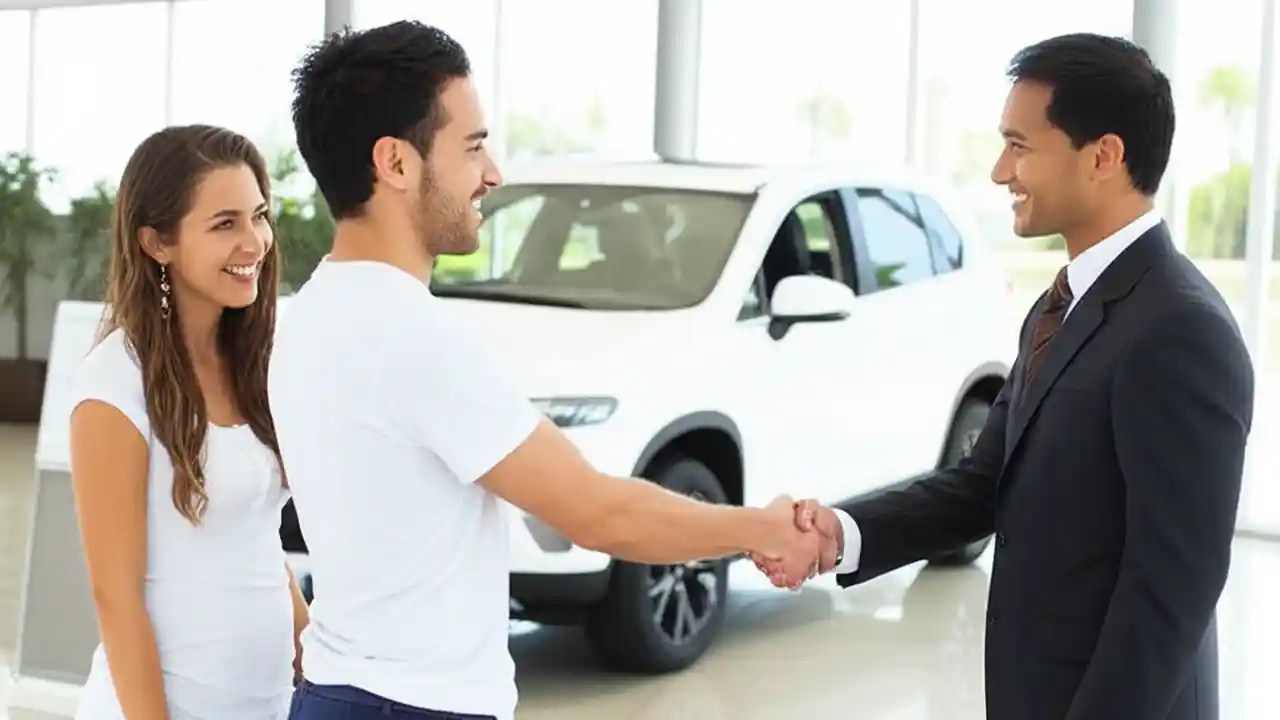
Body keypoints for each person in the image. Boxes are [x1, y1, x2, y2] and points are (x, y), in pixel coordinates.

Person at [268, 21, 818, 720]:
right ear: (396, 163)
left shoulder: (309, 316)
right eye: (471, 147)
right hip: (415, 706)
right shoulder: (415, 335)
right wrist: (762, 528)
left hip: (336, 693)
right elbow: (597, 514)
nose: (492, 172)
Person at [763, 33, 1255, 720]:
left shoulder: (1181, 329)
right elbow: (982, 486)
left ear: (1104, 156)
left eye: (1020, 145)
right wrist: (839, 534)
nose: (999, 172)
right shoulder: (1061, 306)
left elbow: (1170, 591)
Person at [68, 125, 309, 719]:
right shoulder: (115, 382)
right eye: (224, 224)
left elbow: (257, 541)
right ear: (158, 243)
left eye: (258, 216)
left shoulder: (257, 365)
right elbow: (115, 596)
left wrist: (319, 663)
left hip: (268, 704)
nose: (255, 241)